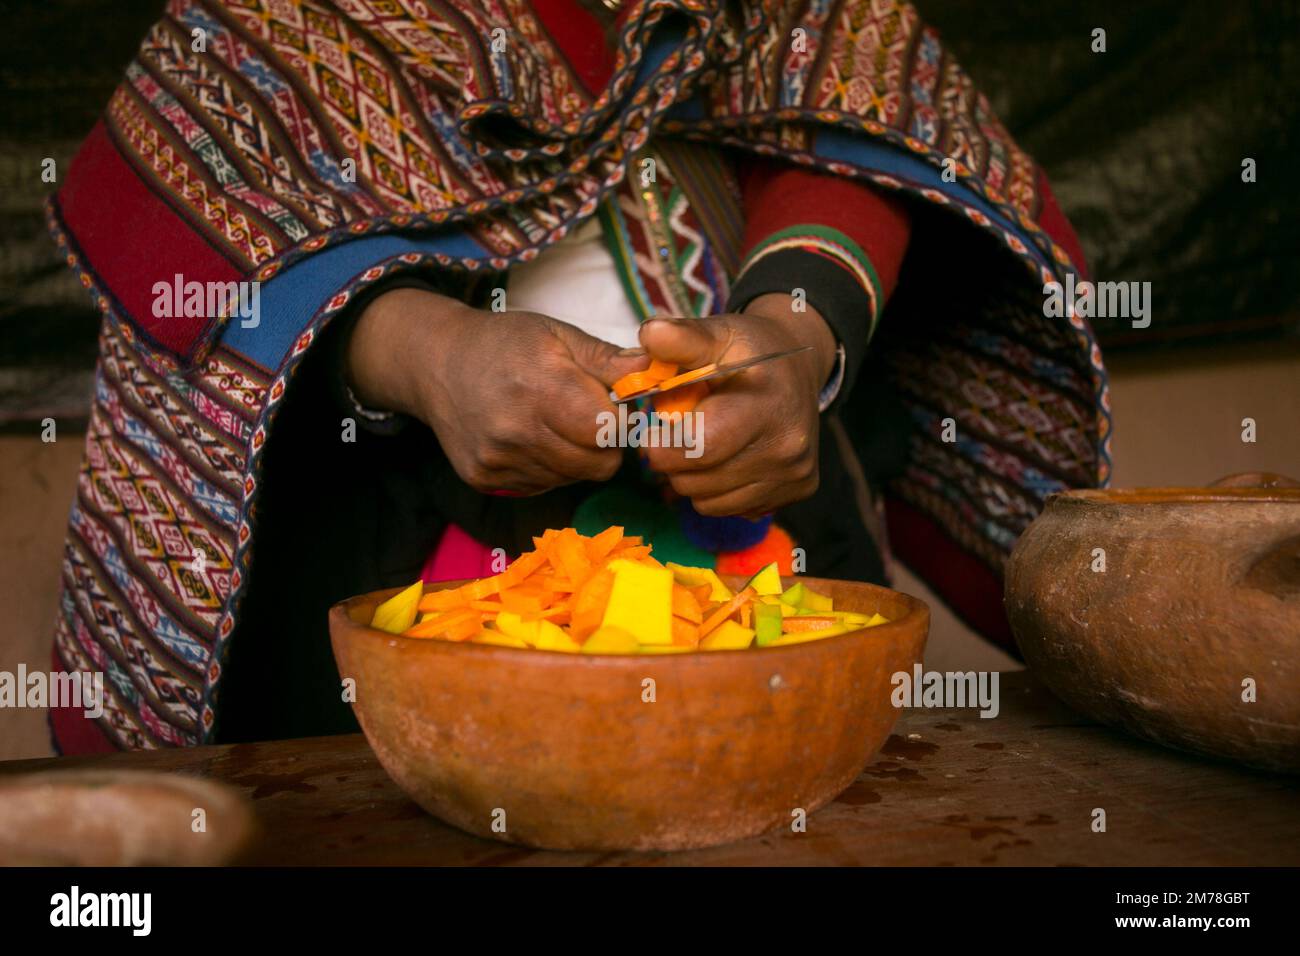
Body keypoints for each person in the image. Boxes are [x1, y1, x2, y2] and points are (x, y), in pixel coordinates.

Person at [45, 0, 1106, 751]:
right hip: (410, 564)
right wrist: (426, 355)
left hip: (761, 508)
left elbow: (856, 118)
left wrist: (798, 334)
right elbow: (201, 244)